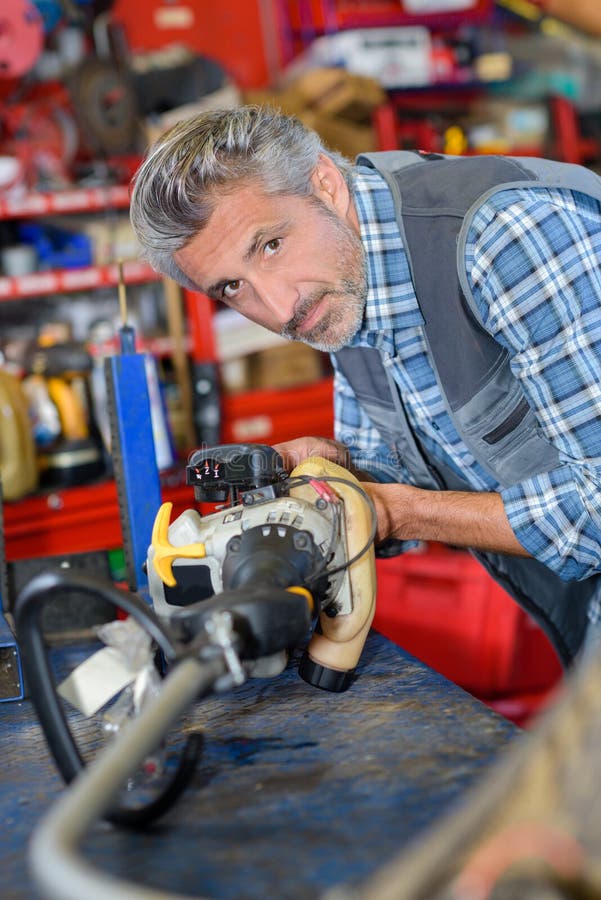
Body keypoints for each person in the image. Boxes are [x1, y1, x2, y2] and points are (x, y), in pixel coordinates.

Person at [130, 105, 601, 668]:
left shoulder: (507, 238)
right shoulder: (339, 288)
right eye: (233, 286)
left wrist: (398, 511)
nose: (278, 308)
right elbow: (396, 482)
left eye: (270, 245)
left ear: (325, 185)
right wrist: (337, 480)